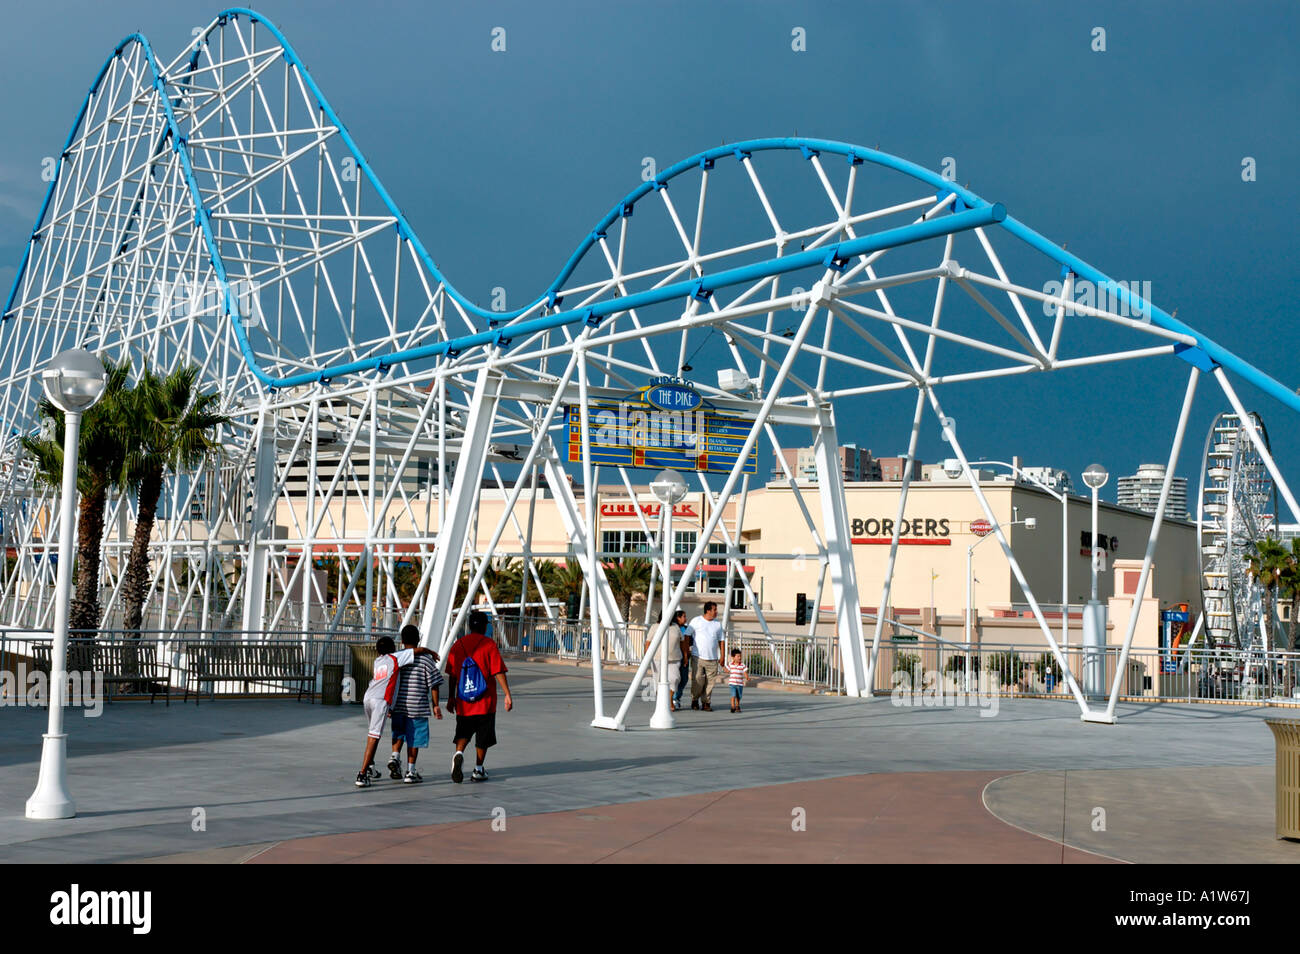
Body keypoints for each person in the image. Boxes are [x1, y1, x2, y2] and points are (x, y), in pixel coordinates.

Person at [356, 635, 437, 788]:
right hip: (380, 700)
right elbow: (416, 650)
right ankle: (362, 774)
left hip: (368, 697)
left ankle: (371, 767)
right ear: (392, 648)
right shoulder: (395, 657)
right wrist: (430, 652)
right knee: (374, 737)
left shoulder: (377, 661)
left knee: (372, 735)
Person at [445, 609, 513, 783]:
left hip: (463, 701)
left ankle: (458, 753)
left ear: (469, 626)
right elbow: (497, 671)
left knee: (463, 732)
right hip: (485, 701)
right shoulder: (488, 644)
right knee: (483, 738)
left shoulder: (457, 645)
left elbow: (452, 675)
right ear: (484, 626)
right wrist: (507, 694)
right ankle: (478, 769)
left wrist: (452, 697)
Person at [387, 624, 444, 783]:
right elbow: (434, 684)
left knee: (398, 732)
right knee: (414, 738)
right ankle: (411, 771)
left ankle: (395, 756)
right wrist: (435, 705)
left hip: (398, 704)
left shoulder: (397, 657)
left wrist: (389, 703)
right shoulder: (426, 660)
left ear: (402, 640)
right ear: (418, 639)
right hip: (417, 706)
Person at [688, 601, 725, 711]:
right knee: (698, 680)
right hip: (697, 657)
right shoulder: (696, 621)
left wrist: (722, 656)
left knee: (710, 683)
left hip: (713, 658)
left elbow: (721, 640)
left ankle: (706, 702)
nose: (716, 612)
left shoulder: (717, 624)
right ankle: (694, 699)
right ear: (708, 610)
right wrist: (686, 652)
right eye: (714, 609)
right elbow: (686, 635)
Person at [670, 609, 694, 711]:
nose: (685, 618)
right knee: (674, 679)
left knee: (684, 679)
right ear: (677, 618)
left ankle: (677, 697)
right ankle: (672, 700)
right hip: (674, 658)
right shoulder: (672, 628)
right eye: (683, 616)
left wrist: (686, 655)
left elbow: (690, 642)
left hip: (684, 657)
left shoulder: (687, 628)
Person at [726, 648, 748, 712]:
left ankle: (737, 706)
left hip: (740, 684)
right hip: (732, 684)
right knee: (733, 695)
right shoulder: (730, 664)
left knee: (738, 696)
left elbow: (745, 672)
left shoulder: (742, 665)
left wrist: (747, 677)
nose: (739, 657)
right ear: (733, 657)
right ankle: (733, 707)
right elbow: (727, 671)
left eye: (740, 656)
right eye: (738, 656)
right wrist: (723, 667)